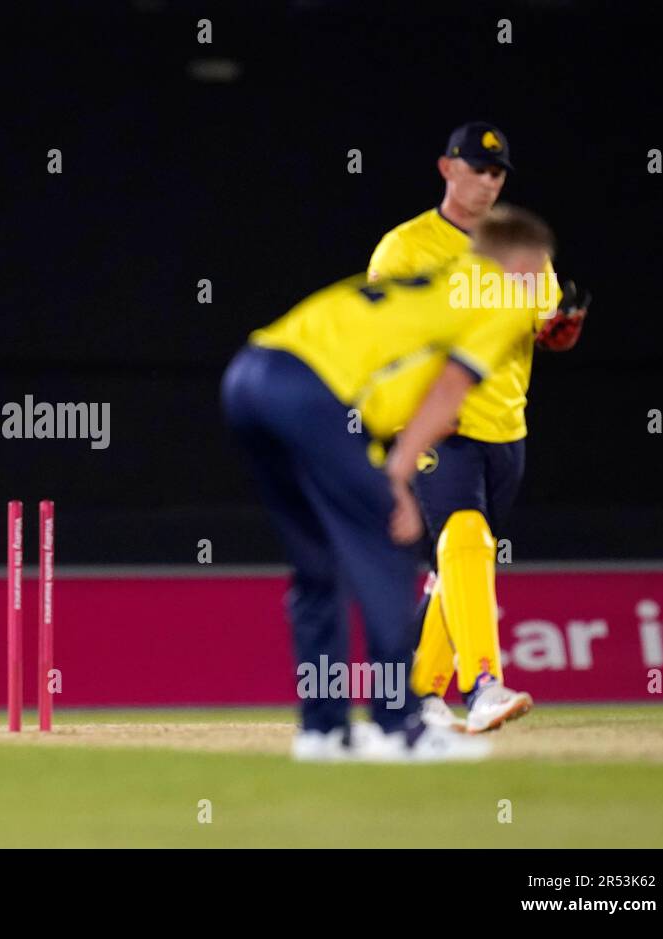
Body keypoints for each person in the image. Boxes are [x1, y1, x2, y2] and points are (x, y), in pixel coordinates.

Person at [223, 205, 558, 761]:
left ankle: (323, 731)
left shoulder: (439, 281)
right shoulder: (502, 296)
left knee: (317, 566)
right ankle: (401, 725)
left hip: (250, 374)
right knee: (387, 551)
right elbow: (450, 394)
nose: (543, 281)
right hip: (311, 390)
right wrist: (397, 479)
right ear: (520, 261)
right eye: (540, 266)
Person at [368, 122, 588, 733]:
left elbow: (541, 322)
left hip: (506, 426)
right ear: (447, 169)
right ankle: (484, 683)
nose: (488, 180)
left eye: (497, 172)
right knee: (468, 537)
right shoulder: (406, 248)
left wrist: (557, 331)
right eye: (477, 168)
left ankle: (412, 694)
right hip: (440, 426)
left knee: (456, 563)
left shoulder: (523, 248)